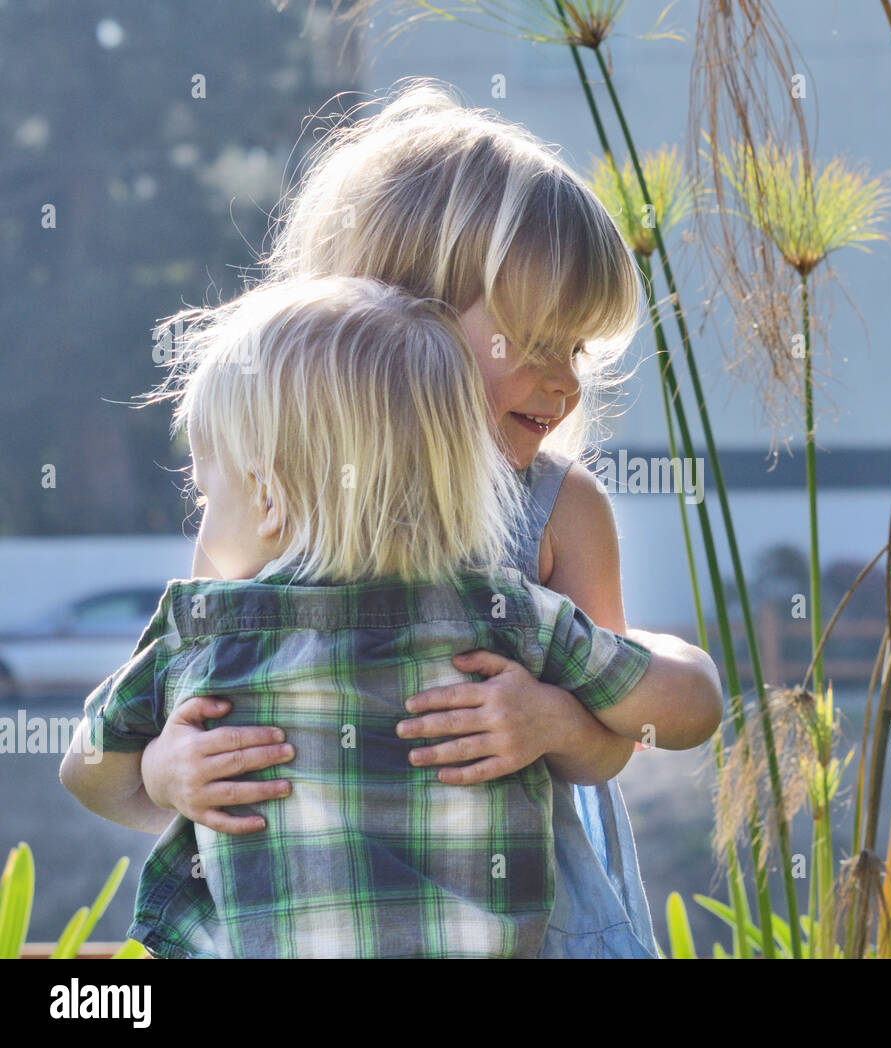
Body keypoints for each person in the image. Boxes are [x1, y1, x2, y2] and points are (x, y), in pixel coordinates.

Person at [133, 78, 706, 958]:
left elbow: (628, 731)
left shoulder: (556, 510)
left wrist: (552, 720)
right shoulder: (273, 509)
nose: (567, 382)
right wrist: (167, 771)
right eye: (538, 341)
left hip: (526, 927)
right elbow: (184, 700)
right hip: (312, 921)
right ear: (403, 319)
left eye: (579, 350)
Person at [58, 275, 723, 958]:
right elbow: (692, 705)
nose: (201, 519)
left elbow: (85, 768)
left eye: (204, 496)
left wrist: (162, 776)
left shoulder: (202, 635)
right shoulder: (506, 617)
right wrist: (556, 711)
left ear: (267, 499)